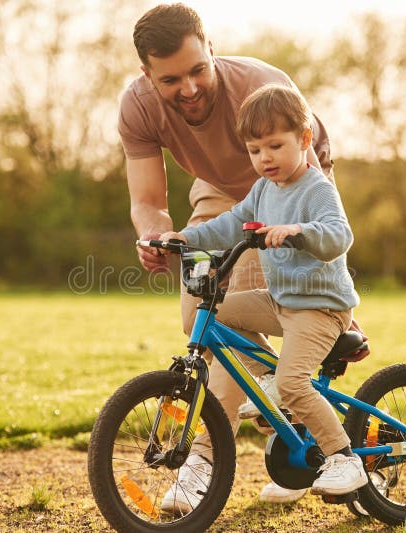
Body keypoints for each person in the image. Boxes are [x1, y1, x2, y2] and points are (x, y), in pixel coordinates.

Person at [119, 3, 368, 505]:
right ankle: (283, 402)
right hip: (228, 197)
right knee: (200, 311)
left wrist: (301, 243)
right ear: (147, 75)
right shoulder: (138, 107)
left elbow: (320, 194)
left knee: (279, 310)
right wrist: (160, 238)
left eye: (197, 70)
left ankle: (207, 461)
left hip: (286, 191)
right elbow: (148, 202)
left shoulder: (261, 86)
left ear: (212, 50)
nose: (188, 89)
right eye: (171, 79)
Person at [158, 84, 369, 513]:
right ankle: (266, 387)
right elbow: (232, 222)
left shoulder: (316, 188)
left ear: (304, 140)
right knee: (218, 314)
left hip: (321, 307)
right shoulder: (263, 190)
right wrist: (184, 237)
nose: (265, 158)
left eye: (275, 146)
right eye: (255, 150)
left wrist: (299, 233)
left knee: (294, 382)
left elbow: (339, 235)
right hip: (280, 300)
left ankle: (344, 458)